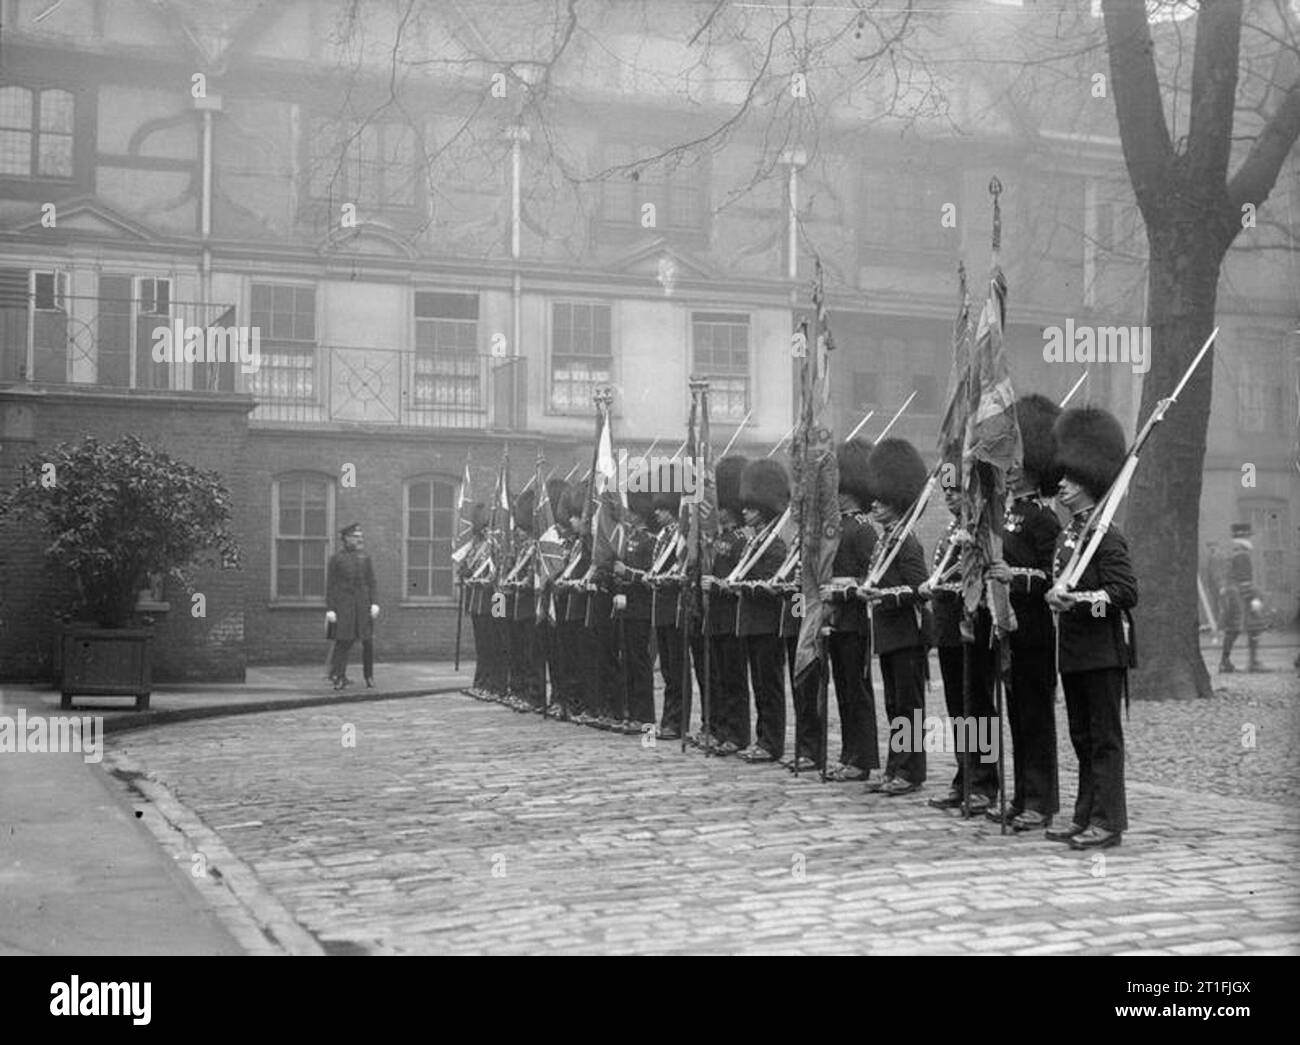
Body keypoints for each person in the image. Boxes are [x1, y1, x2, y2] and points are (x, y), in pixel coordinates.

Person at [1045, 406, 1137, 851]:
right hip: (1076, 652)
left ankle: (1109, 821)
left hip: (1102, 652)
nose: (1061, 483)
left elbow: (1124, 593)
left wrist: (1077, 603)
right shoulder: (1069, 537)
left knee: (1103, 739)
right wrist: (1053, 596)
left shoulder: (1107, 535)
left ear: (1088, 480)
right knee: (1081, 737)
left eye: (1070, 478)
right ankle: (1084, 814)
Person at [992, 393, 1063, 831]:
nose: (1011, 465)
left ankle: (1041, 801)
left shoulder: (1043, 519)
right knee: (1017, 716)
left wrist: (1011, 576)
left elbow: (1049, 577)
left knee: (1036, 716)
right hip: (1008, 630)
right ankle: (1021, 795)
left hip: (1035, 630)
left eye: (1018, 457)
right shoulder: (1006, 513)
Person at [856, 438, 930, 797]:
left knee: (908, 706)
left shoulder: (907, 542)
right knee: (893, 705)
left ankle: (911, 771)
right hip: (888, 633)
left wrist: (882, 596)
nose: (875, 505)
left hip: (907, 634)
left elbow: (919, 589)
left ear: (896, 502)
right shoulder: (886, 539)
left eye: (882, 501)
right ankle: (894, 767)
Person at [922, 486, 998, 814]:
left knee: (978, 707)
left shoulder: (981, 533)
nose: (950, 498)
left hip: (975, 631)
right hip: (950, 632)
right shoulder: (951, 533)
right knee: (958, 709)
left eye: (958, 492)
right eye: (947, 493)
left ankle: (985, 782)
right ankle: (965, 775)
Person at [819, 438, 881, 784]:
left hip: (855, 620)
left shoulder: (862, 530)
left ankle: (862, 759)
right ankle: (849, 755)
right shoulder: (837, 526)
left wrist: (839, 590)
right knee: (843, 691)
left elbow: (869, 578)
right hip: (836, 621)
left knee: (857, 691)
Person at [732, 459, 789, 763]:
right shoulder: (754, 543)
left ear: (764, 509)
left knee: (770, 686)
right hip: (752, 623)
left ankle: (772, 741)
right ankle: (762, 737)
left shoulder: (774, 546)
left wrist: (742, 586)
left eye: (752, 507)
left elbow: (772, 586)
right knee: (759, 685)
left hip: (768, 624)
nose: (745, 511)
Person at [698, 456, 750, 755]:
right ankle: (722, 729)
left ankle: (737, 734)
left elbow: (739, 582)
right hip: (717, 618)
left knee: (734, 680)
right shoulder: (721, 538)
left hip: (733, 618)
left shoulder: (742, 540)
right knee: (720, 678)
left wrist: (718, 585)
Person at [613, 489, 657, 734]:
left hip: (640, 608)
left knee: (640, 662)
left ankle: (645, 716)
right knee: (626, 659)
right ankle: (629, 711)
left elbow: (649, 577)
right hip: (624, 608)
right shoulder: (625, 537)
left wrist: (626, 573)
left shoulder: (649, 540)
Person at [648, 470, 686, 740]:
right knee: (669, 671)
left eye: (662, 509)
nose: (657, 514)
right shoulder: (663, 536)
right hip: (661, 608)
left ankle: (677, 721)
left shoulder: (679, 535)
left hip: (676, 606)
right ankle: (668, 720)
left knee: (677, 669)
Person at [325, 522, 378, 689]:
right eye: (355, 537)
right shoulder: (337, 559)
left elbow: (372, 582)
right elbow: (331, 585)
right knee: (343, 642)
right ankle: (339, 677)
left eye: (360, 537)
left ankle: (369, 677)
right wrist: (330, 609)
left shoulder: (365, 558)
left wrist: (375, 603)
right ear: (346, 539)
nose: (359, 540)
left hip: (363, 607)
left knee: (367, 643)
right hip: (344, 608)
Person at [1219, 523, 1267, 673]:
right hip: (1238, 594)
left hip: (1233, 593)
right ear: (1245, 537)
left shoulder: (1233, 552)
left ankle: (1227, 661)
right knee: (1249, 625)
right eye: (1249, 535)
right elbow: (1244, 580)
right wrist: (1255, 598)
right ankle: (1250, 663)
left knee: (1236, 628)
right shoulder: (1242, 554)